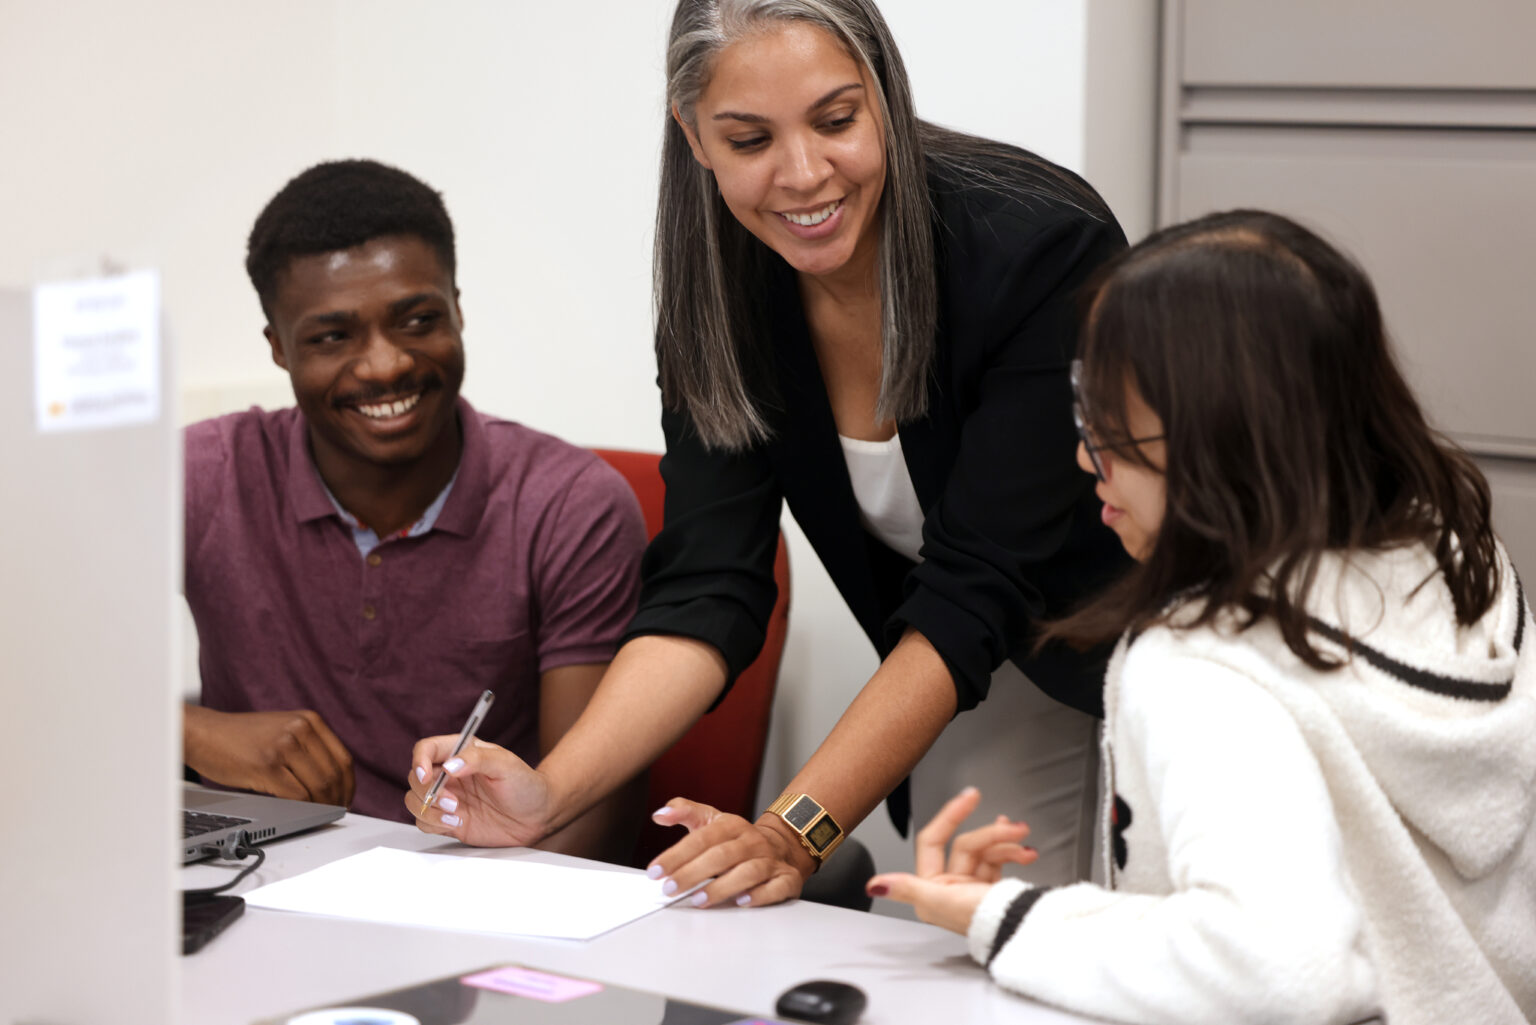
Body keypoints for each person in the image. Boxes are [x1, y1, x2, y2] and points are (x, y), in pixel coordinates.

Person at [406, 0, 1130, 906]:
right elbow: (708, 584)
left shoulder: (1035, 246)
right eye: (750, 140)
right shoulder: (720, 298)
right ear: (694, 136)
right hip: (990, 649)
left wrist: (793, 830)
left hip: (1168, 624)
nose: (803, 175)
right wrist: (549, 796)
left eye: (836, 121)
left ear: (885, 96)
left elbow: (977, 582)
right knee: (958, 927)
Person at [866, 210, 1536, 1025]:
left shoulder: (1201, 663)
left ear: (1219, 436)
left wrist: (1010, 921)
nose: (1084, 456)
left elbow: (1283, 969)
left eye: (1110, 425)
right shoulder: (1453, 557)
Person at [182, 159, 648, 862]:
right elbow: (30, 656)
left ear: (458, 309)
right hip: (257, 884)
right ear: (278, 347)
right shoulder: (206, 474)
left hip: (480, 894)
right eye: (332, 336)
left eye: (418, 320)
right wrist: (190, 731)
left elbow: (589, 815)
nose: (384, 365)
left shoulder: (568, 504)